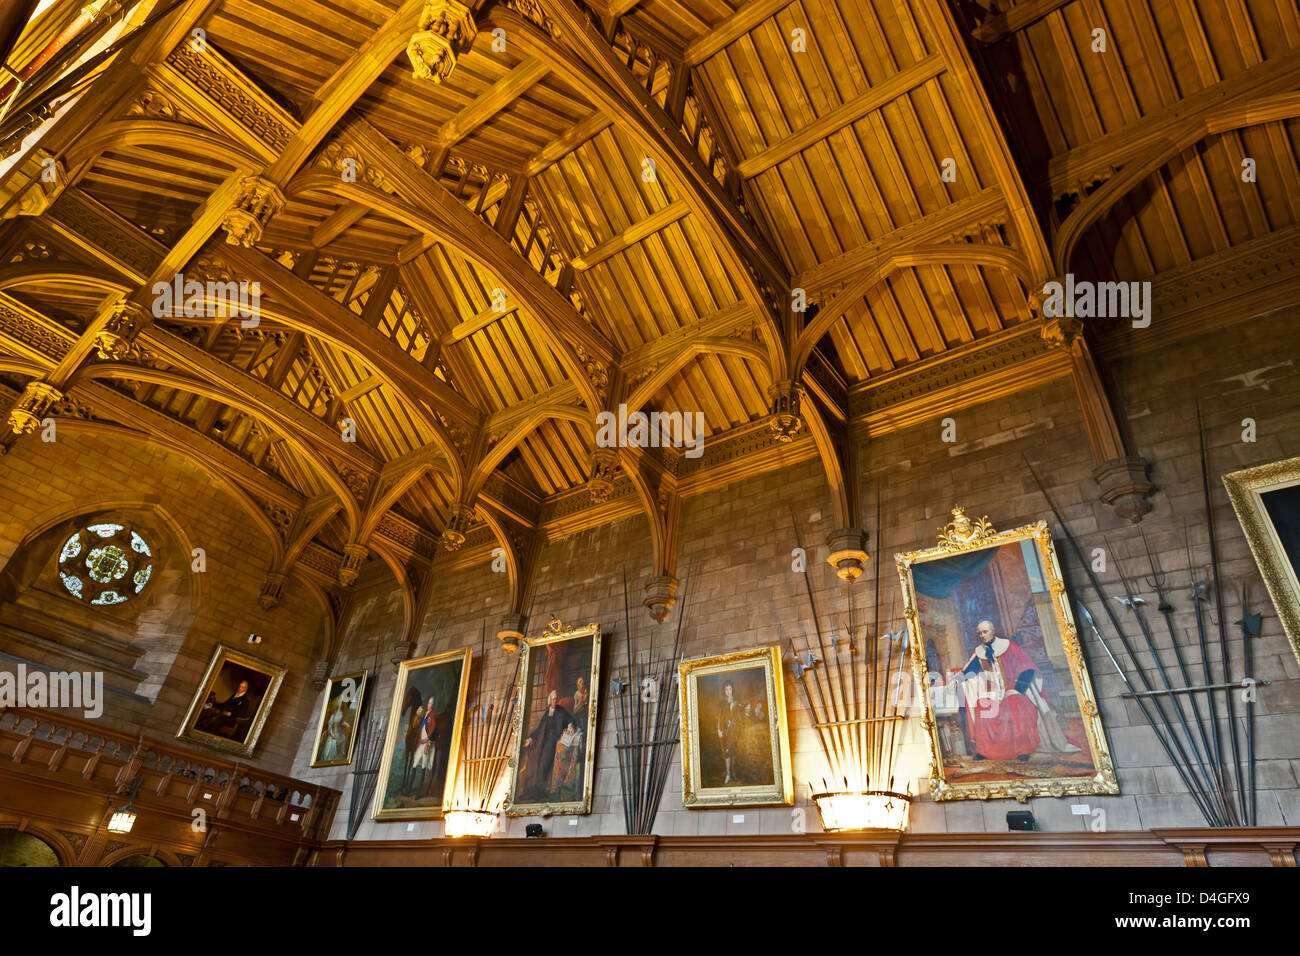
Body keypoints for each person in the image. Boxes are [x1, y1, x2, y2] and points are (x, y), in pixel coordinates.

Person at [951, 620, 1080, 762]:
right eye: (979, 633)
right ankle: (985, 750)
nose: (982, 635)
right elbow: (971, 670)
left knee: (1015, 704)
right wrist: (958, 679)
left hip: (1015, 687)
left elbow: (1028, 669)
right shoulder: (979, 652)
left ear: (993, 631)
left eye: (985, 632)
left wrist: (1018, 690)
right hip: (994, 690)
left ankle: (1022, 750)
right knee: (982, 706)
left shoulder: (1009, 646)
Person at [522, 690, 571, 799]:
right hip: (543, 741)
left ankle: (542, 789)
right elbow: (539, 728)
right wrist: (530, 739)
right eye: (553, 699)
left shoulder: (561, 711)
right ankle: (536, 788)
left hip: (554, 741)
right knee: (537, 760)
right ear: (550, 700)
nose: (555, 701)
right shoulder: (547, 712)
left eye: (556, 699)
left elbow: (570, 720)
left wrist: (570, 725)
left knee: (544, 762)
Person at [549, 721, 584, 801]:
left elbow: (577, 750)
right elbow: (560, 744)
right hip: (563, 756)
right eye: (568, 730)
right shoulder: (566, 732)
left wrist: (580, 741)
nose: (569, 731)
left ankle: (566, 783)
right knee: (559, 758)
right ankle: (556, 787)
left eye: (571, 730)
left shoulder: (578, 734)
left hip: (570, 756)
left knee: (562, 759)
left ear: (574, 729)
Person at [716, 681, 743, 784]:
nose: (728, 691)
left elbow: (739, 717)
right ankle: (728, 774)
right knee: (727, 752)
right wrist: (719, 730)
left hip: (734, 731)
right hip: (725, 731)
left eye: (730, 689)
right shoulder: (722, 703)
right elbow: (718, 718)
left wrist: (735, 722)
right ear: (724, 691)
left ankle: (733, 773)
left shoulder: (737, 702)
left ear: (733, 690)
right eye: (726, 689)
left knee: (734, 752)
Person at [320, 696, 351, 762]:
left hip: (340, 733)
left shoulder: (342, 713)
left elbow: (341, 722)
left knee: (341, 749)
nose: (340, 703)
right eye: (339, 702)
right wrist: (332, 734)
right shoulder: (333, 714)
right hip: (333, 733)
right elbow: (330, 726)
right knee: (329, 750)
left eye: (341, 702)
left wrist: (346, 724)